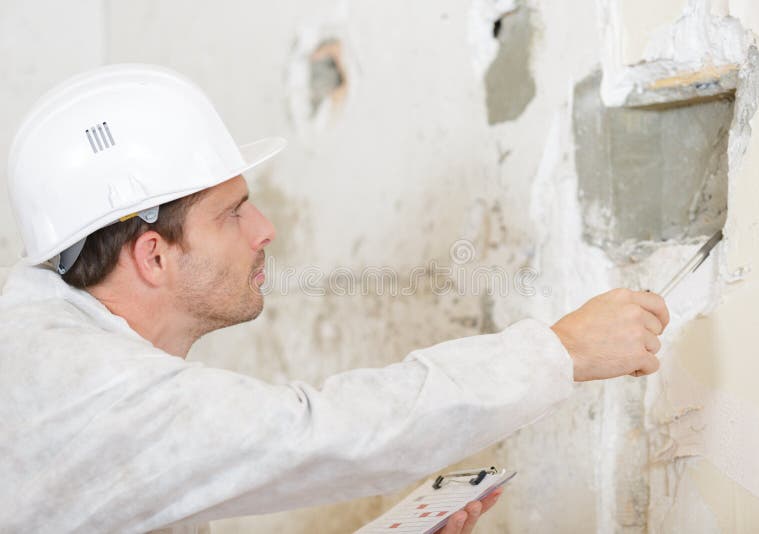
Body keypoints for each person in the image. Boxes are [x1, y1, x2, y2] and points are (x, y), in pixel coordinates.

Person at [0, 64, 668, 534]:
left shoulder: (59, 358)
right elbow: (322, 434)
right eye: (233, 214)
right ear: (152, 256)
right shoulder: (82, 389)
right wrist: (559, 351)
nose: (265, 230)